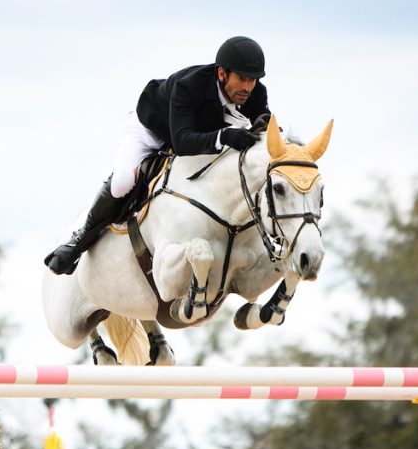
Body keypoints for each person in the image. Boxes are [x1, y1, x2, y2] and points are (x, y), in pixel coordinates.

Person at [44, 36, 271, 275]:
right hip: (151, 131)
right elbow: (182, 141)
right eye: (242, 79)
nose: (247, 87)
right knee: (123, 182)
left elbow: (262, 121)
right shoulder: (189, 85)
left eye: (253, 80)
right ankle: (78, 241)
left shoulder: (254, 93)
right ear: (222, 73)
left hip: (198, 131)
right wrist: (225, 137)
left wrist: (263, 126)